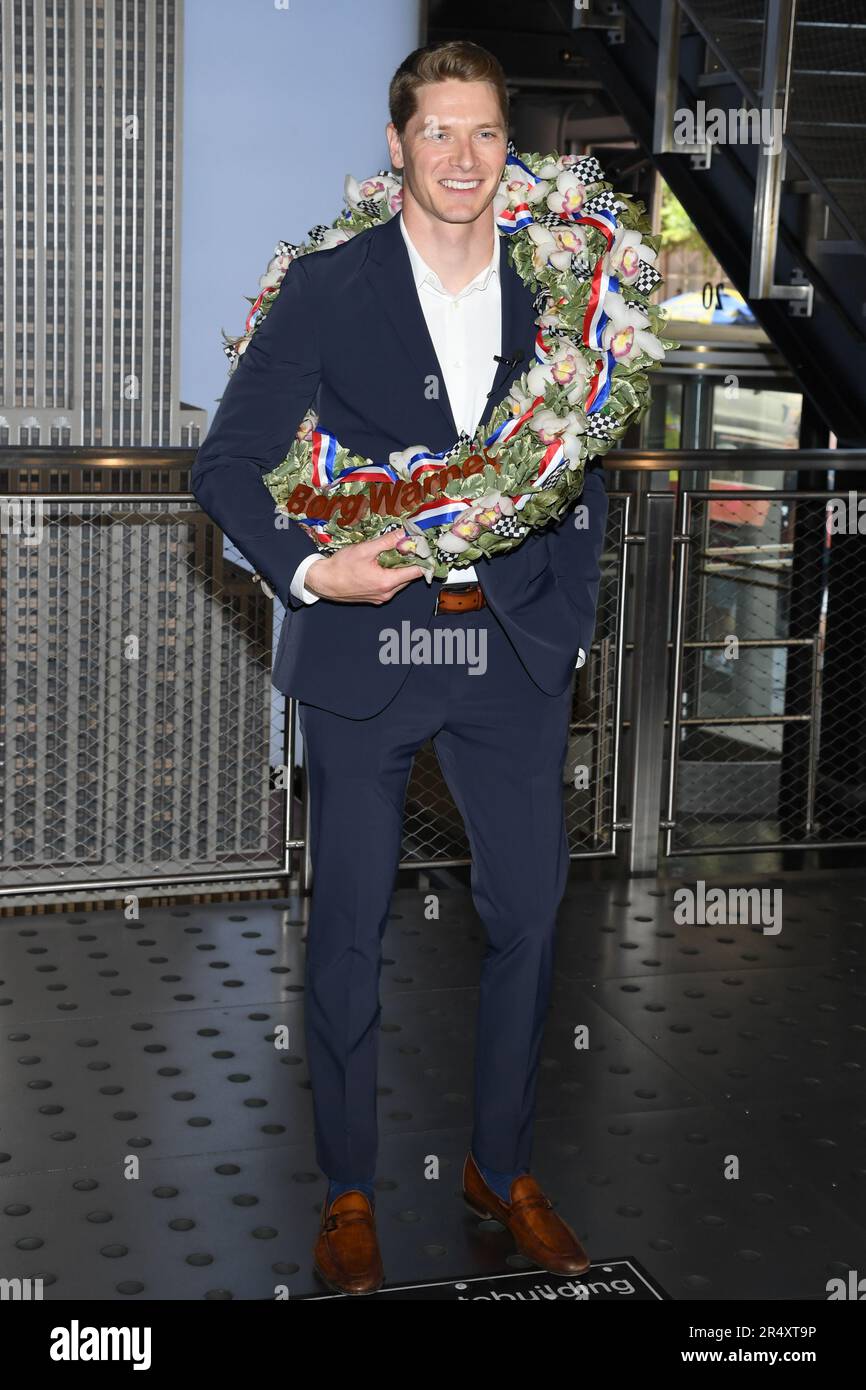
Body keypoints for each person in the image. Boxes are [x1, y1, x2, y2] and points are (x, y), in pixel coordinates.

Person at [191, 39, 609, 1297]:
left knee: (531, 917)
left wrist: (571, 615)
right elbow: (224, 466)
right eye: (438, 133)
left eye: (484, 134)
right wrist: (316, 575)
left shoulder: (560, 285)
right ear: (397, 146)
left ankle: (500, 1166)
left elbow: (581, 456)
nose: (463, 157)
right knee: (350, 936)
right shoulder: (328, 288)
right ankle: (352, 1192)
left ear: (506, 150)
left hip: (514, 648)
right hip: (368, 643)